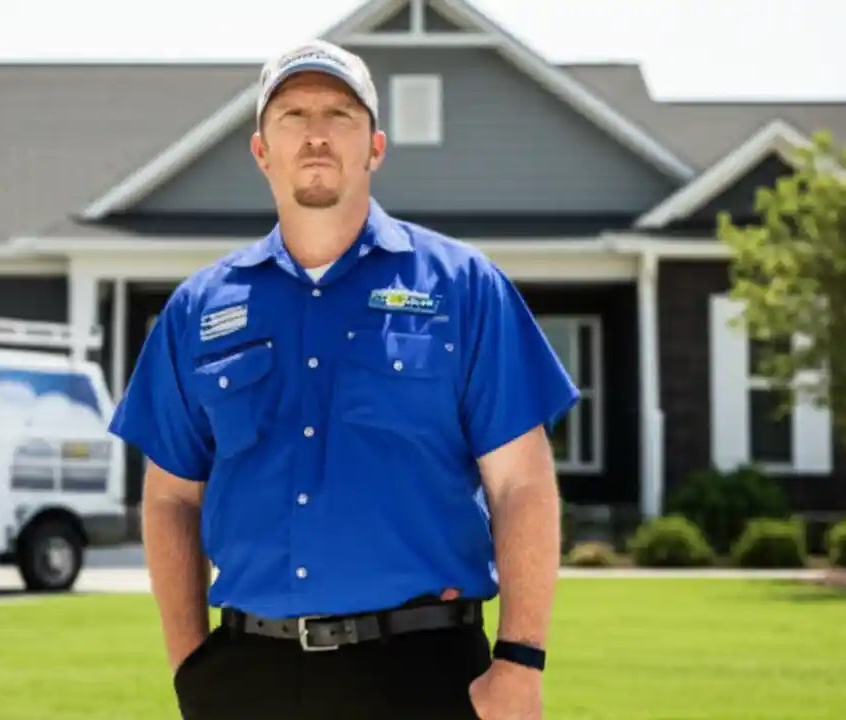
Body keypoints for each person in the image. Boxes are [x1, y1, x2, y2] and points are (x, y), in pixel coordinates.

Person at [108, 38, 578, 720]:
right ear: (262, 150)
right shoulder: (199, 310)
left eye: (340, 114)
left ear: (375, 148)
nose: (317, 134)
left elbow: (522, 482)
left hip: (423, 675)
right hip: (248, 679)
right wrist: (191, 664)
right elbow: (171, 499)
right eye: (293, 115)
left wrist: (521, 660)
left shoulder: (462, 288)